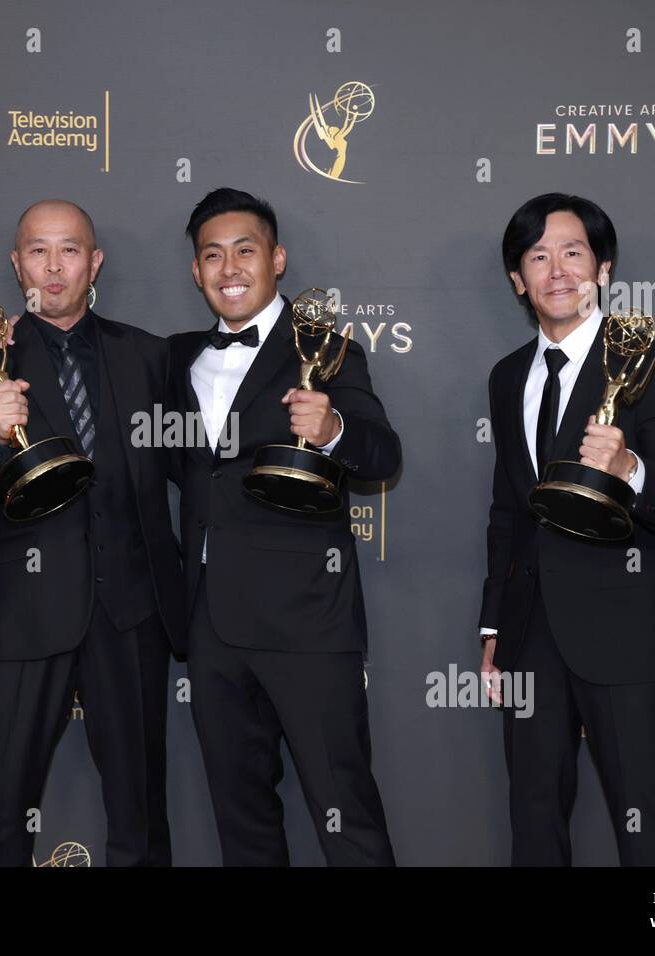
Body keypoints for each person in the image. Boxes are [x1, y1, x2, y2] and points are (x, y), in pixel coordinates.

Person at [168, 187, 400, 865]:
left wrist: (332, 429)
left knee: (345, 815)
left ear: (277, 259)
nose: (229, 266)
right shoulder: (172, 357)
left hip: (306, 620)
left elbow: (383, 454)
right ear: (196, 272)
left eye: (245, 250)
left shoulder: (325, 347)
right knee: (241, 824)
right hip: (210, 624)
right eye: (212, 255)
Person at [0, 199, 184, 866]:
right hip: (24, 613)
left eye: (70, 250)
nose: (54, 267)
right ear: (16, 261)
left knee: (140, 811)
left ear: (95, 262)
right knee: (0, 806)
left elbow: (191, 472)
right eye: (38, 250)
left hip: (131, 611)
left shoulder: (149, 356)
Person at [479, 192, 655, 865]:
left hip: (622, 627)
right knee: (534, 819)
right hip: (528, 634)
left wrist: (629, 466)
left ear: (603, 268)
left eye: (573, 252)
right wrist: (495, 625)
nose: (557, 270)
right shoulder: (505, 377)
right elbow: (506, 510)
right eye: (538, 256)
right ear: (518, 280)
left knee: (645, 823)